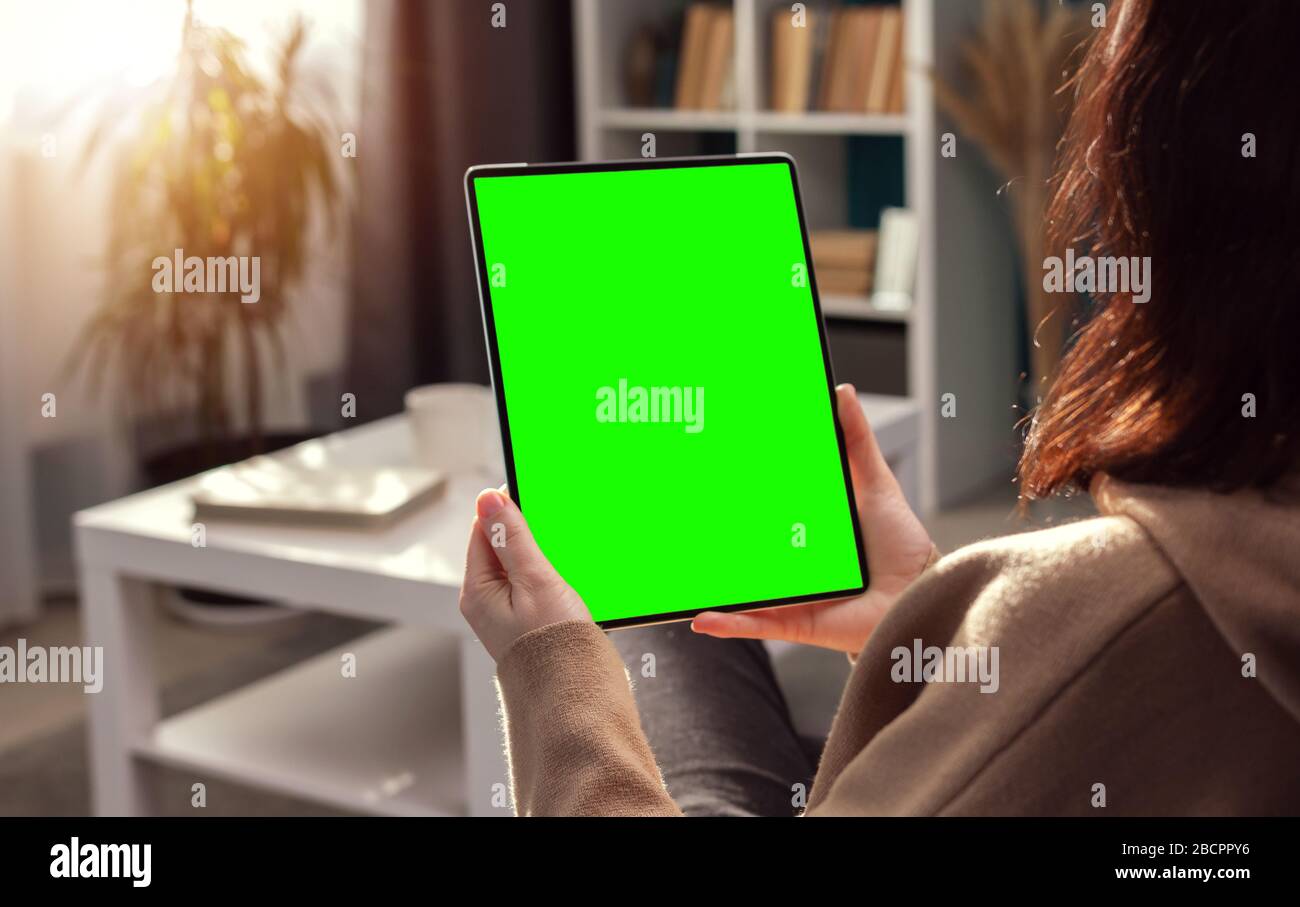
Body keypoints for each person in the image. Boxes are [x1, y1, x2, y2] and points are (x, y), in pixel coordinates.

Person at [457, 0, 1300, 816]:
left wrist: (551, 673)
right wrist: (921, 620)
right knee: (680, 610)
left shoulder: (1112, 621)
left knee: (636, 619)